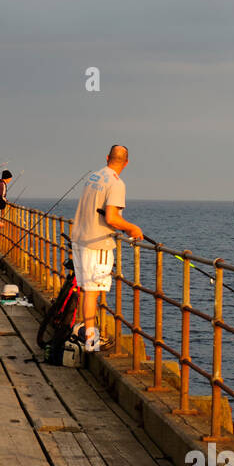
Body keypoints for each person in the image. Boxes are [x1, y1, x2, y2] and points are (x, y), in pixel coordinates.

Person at [71, 145, 143, 353]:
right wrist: (132, 228)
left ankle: (86, 331)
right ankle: (92, 341)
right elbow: (111, 218)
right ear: (126, 162)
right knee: (93, 292)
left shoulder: (93, 177)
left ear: (107, 158)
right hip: (98, 243)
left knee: (87, 290)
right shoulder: (117, 183)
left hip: (80, 238)